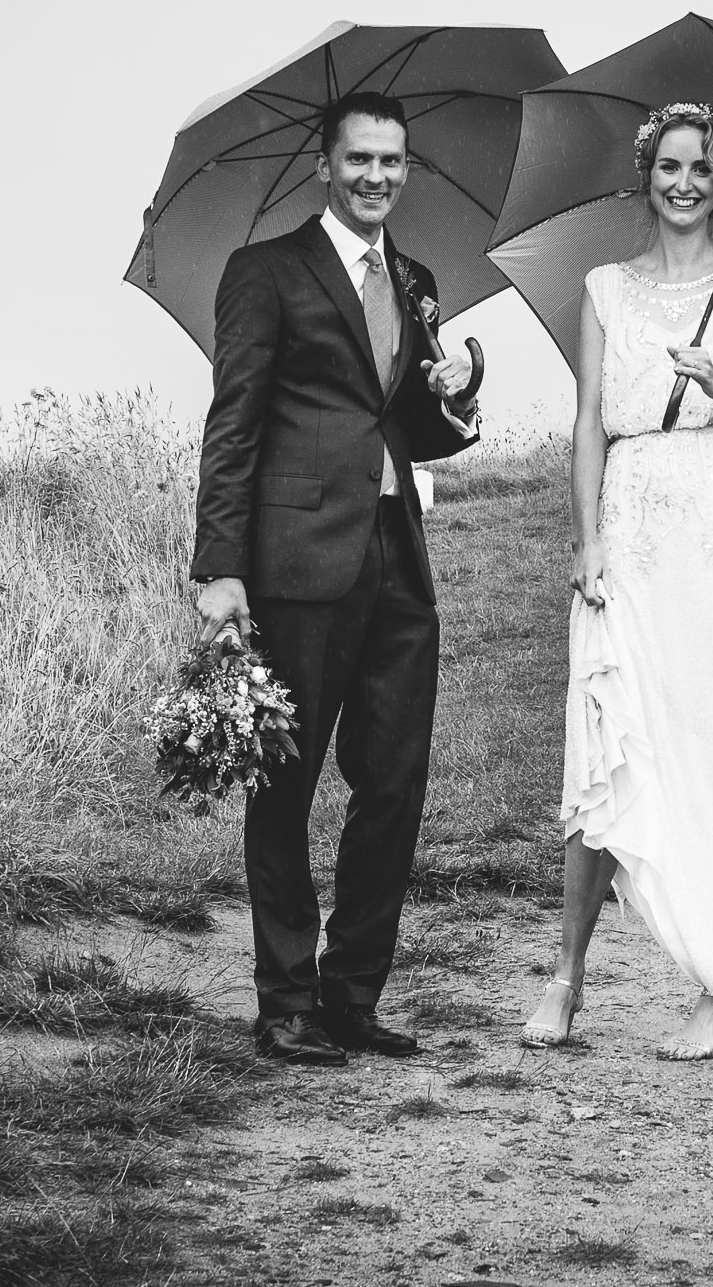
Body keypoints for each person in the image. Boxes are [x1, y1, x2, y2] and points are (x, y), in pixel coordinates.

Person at [191, 90, 480, 1066]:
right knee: (286, 782)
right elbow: (233, 423)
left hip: (400, 556)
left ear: (407, 169)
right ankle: (285, 1002)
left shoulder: (418, 278)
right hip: (297, 563)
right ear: (327, 165)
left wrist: (459, 396)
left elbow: (418, 428)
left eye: (392, 162)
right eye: (359, 159)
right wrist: (219, 568)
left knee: (394, 780)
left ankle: (353, 994)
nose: (376, 177)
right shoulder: (265, 272)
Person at [521, 101, 713, 1061]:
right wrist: (587, 538)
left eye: (703, 169)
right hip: (631, 529)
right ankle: (568, 978)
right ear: (647, 176)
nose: (685, 183)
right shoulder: (603, 287)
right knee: (606, 749)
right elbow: (590, 420)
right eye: (669, 166)